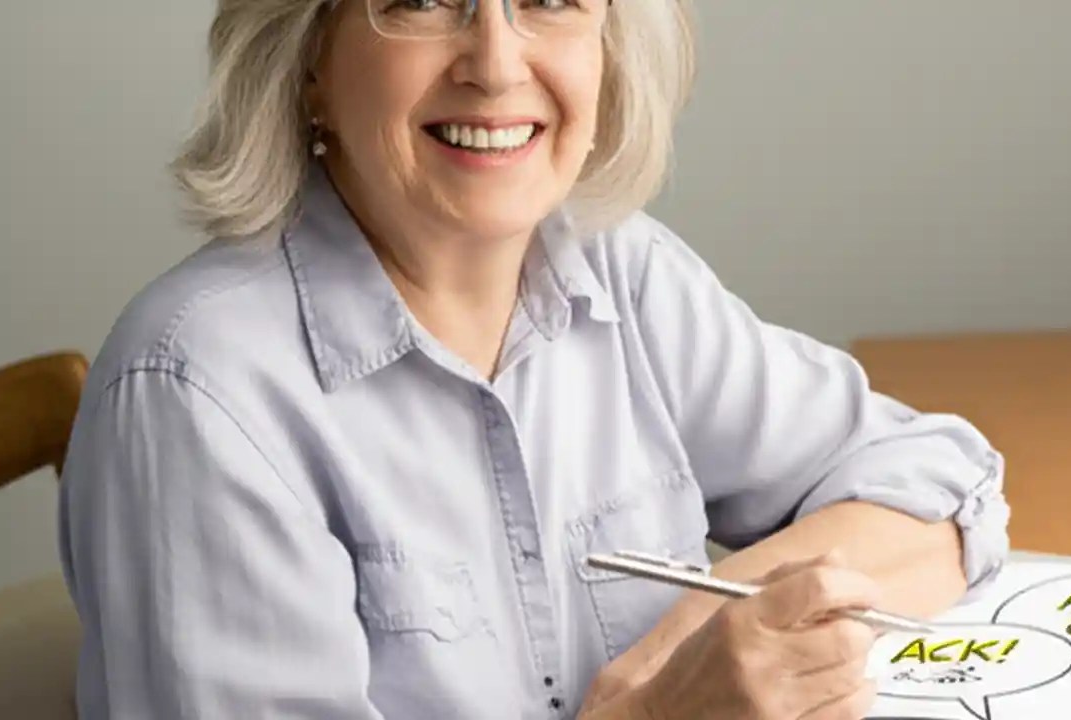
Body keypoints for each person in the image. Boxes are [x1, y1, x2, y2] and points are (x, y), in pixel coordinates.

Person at [57, 1, 1010, 718]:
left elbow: (942, 487)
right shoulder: (195, 395)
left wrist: (705, 636)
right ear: (310, 58)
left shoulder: (617, 271)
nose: (496, 62)